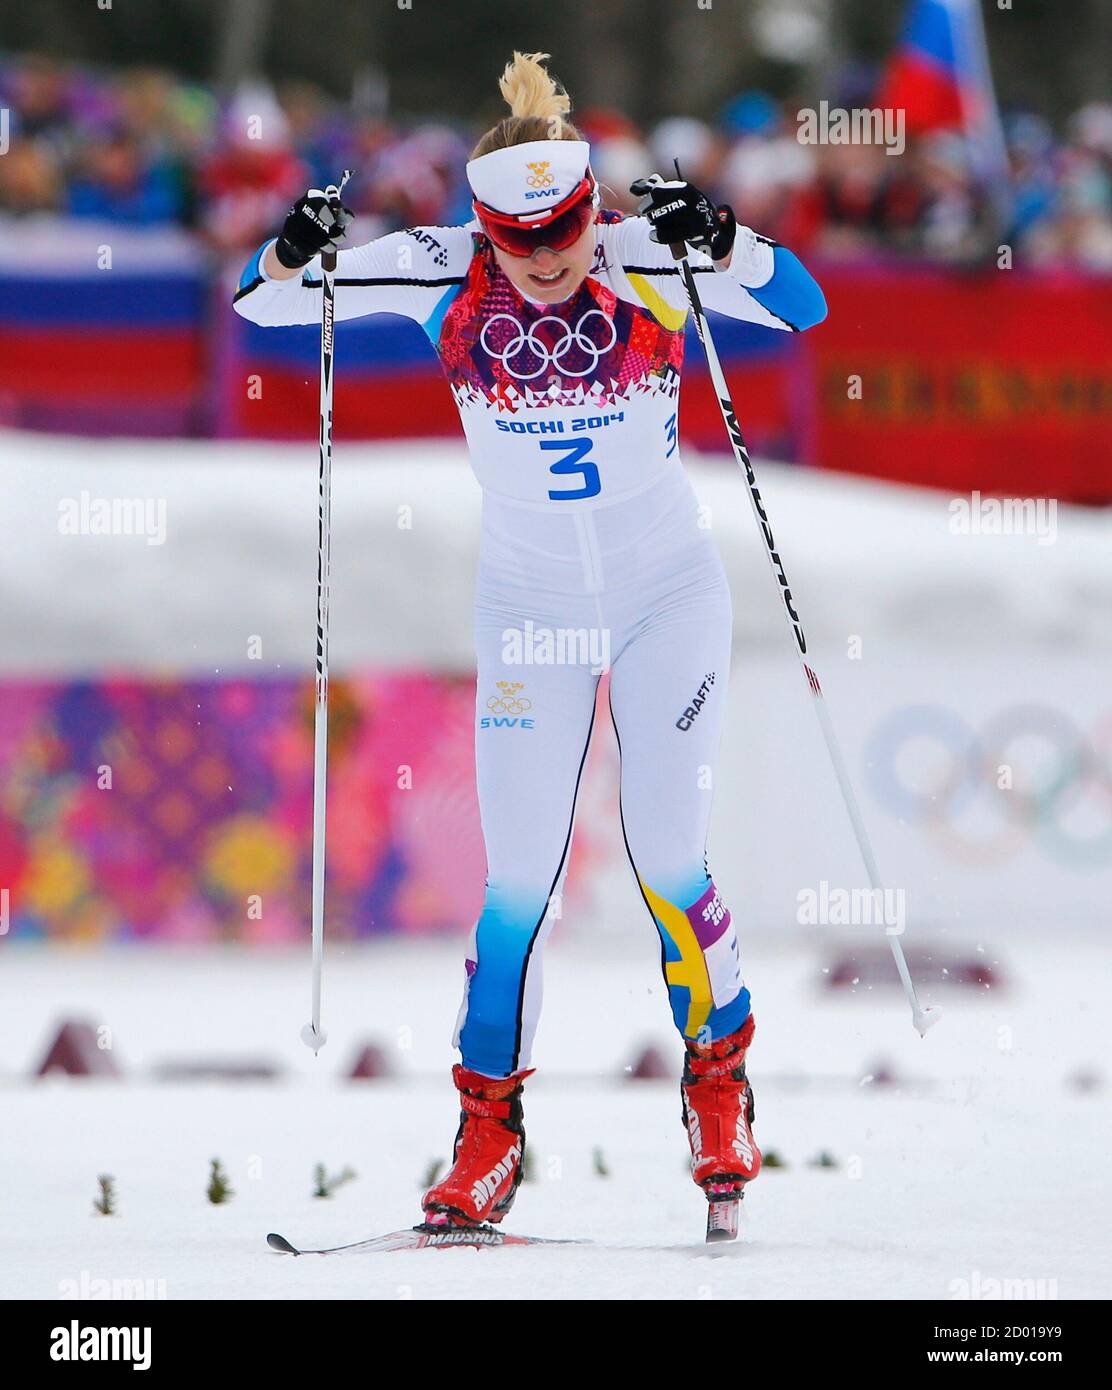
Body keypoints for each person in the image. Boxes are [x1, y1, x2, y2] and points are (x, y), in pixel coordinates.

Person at [233, 52, 826, 1235]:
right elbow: (259, 307)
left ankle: (717, 1085)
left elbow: (801, 306)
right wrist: (290, 244)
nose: (551, 258)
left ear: (591, 206)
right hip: (529, 610)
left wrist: (721, 240)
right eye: (523, 239)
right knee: (513, 884)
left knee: (666, 857)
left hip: (666, 597)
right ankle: (486, 1134)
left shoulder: (637, 253)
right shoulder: (439, 263)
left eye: (567, 229)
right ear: (479, 226)